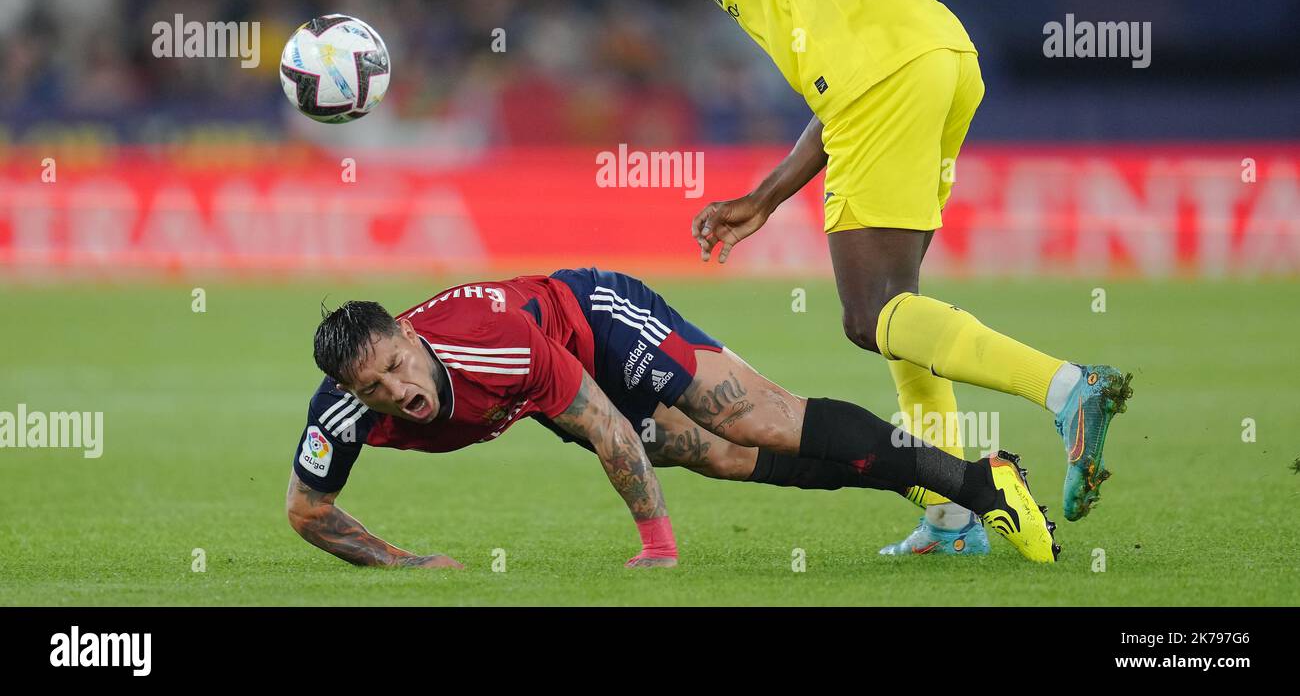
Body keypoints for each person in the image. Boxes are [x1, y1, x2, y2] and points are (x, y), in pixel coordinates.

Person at [578, 0, 1132, 556]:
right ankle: (951, 518)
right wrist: (767, 196)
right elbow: (841, 95)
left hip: (889, 72)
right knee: (899, 310)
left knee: (868, 315)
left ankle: (1067, 388)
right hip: (935, 52)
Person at [285, 268, 1059, 569]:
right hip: (553, 393)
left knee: (759, 419)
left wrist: (656, 546)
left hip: (595, 321)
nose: (398, 390)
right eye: (376, 388)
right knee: (724, 459)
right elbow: (305, 508)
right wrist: (404, 564)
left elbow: (607, 431)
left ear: (411, 337)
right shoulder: (346, 413)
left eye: (397, 365)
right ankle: (932, 492)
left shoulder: (495, 342)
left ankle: (985, 482)